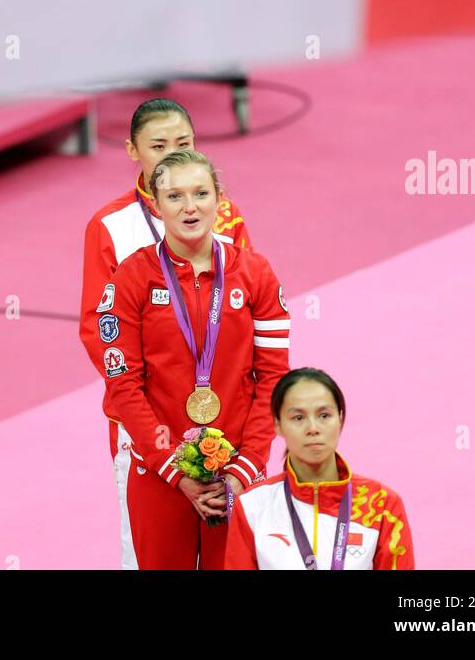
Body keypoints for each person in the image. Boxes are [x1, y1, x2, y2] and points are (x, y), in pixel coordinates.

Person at [79, 97, 252, 568]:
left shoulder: (226, 216)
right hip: (145, 426)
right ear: (132, 150)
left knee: (229, 553)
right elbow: (100, 329)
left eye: (184, 143)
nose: (171, 153)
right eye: (158, 146)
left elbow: (243, 314)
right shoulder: (111, 226)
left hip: (223, 423)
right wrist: (149, 397)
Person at [101, 148, 289, 570]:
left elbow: (275, 379)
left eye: (201, 193)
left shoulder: (255, 274)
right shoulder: (131, 279)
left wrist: (246, 467)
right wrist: (175, 473)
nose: (190, 207)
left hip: (239, 472)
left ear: (220, 199)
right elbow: (123, 386)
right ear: (155, 204)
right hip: (159, 476)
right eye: (175, 196)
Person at [225, 367, 415, 570]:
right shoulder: (252, 506)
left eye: (324, 415)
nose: (313, 428)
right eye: (298, 418)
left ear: (340, 420)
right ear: (277, 425)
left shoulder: (382, 505)